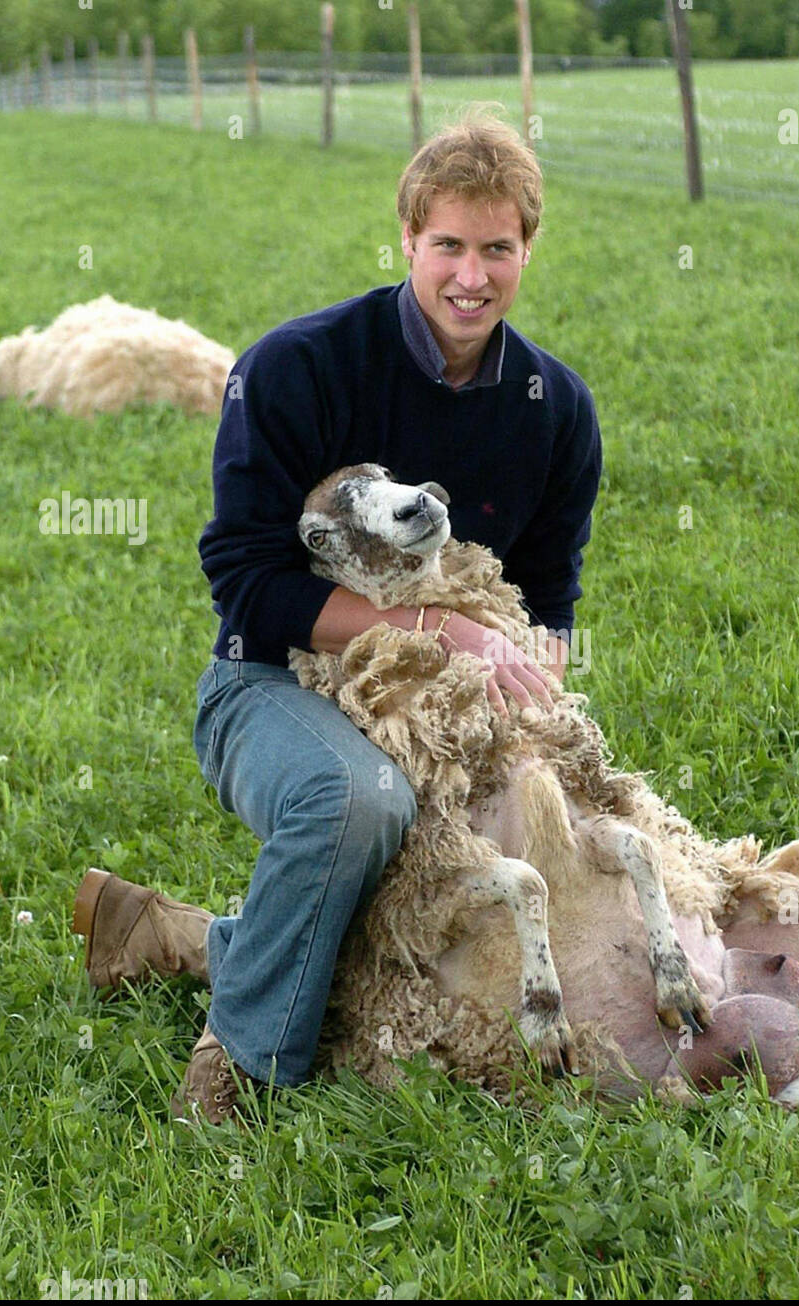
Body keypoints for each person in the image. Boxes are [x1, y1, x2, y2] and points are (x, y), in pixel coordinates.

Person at [70, 109, 603, 1124]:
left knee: (513, 848)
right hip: (271, 679)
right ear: (408, 237)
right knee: (358, 801)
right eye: (448, 243)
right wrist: (436, 633)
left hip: (449, 711)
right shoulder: (297, 368)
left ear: (528, 246)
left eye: (498, 248)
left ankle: (171, 938)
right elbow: (244, 580)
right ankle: (241, 1065)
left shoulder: (556, 409)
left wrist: (534, 710)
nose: (470, 276)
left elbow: (548, 597)